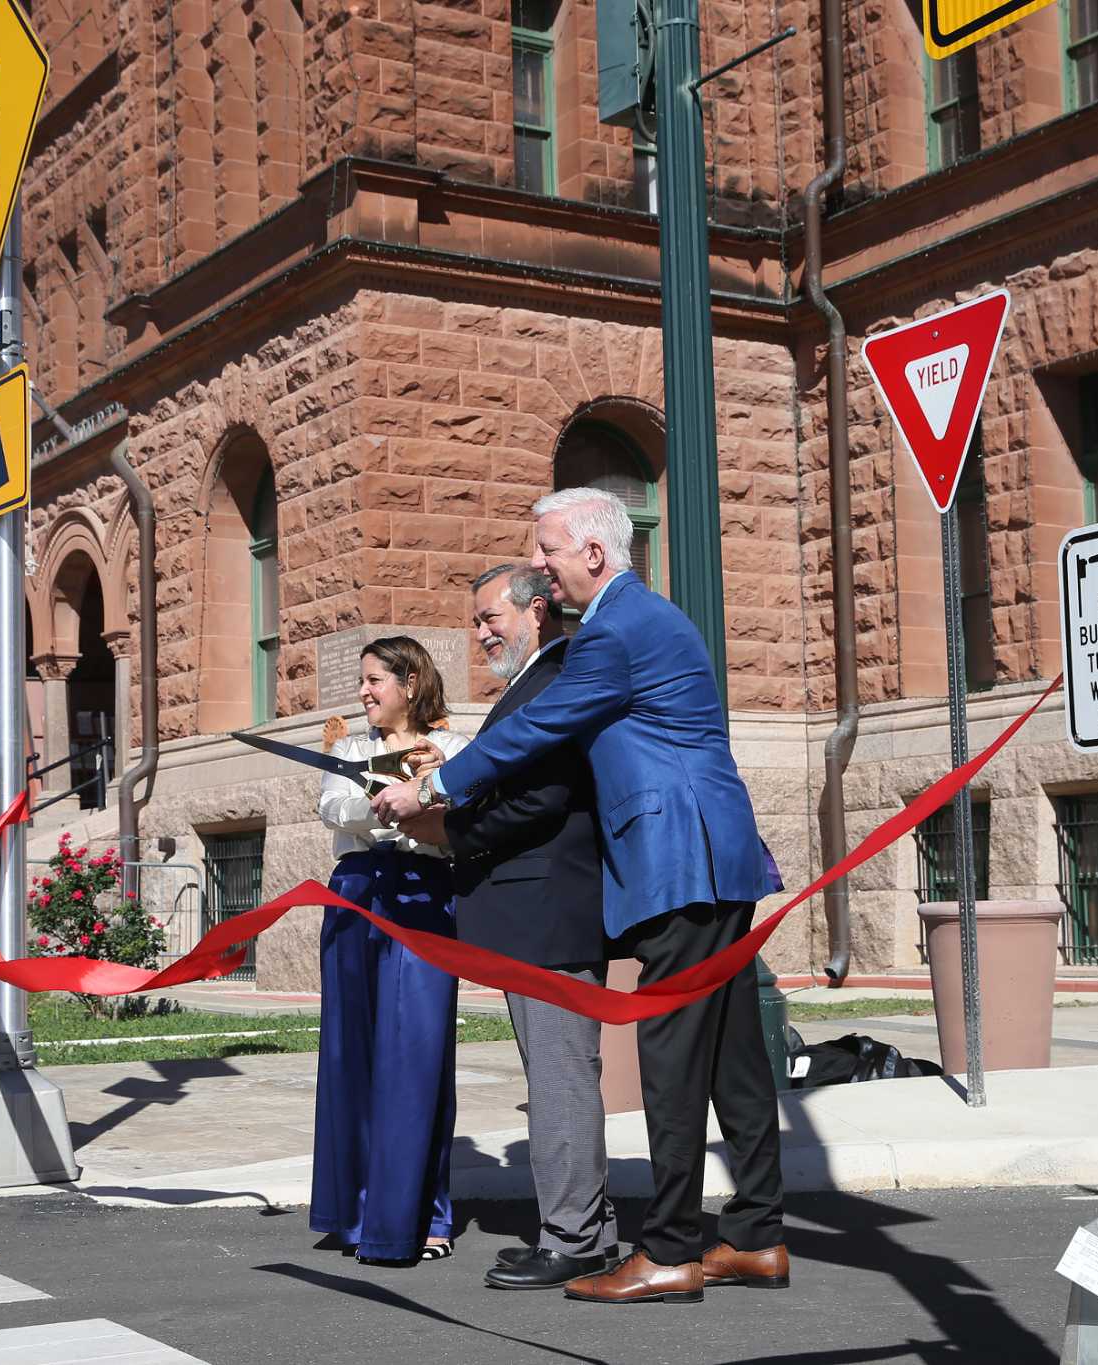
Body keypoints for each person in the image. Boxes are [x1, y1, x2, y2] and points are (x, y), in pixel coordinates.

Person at [374, 487, 788, 1304]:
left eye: (547, 551)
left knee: (673, 1063)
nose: (539, 564)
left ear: (594, 554)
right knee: (734, 1054)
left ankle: (671, 1249)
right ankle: (756, 1235)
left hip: (678, 858)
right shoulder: (646, 619)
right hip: (713, 852)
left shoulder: (613, 630)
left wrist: (439, 785)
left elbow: (542, 725)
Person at [402, 565, 618, 1291]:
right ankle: (586, 1222)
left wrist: (451, 827)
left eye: (491, 616)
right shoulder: (530, 683)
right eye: (475, 621)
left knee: (560, 1077)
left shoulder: (556, 677)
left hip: (551, 910)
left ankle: (574, 1237)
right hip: (533, 911)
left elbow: (546, 796)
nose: (482, 631)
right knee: (555, 1074)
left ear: (536, 611)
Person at [314, 636, 468, 1264]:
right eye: (362, 680)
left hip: (423, 896)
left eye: (375, 679)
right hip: (354, 894)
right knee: (352, 1051)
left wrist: (426, 786)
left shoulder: (451, 747)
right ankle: (352, 1212)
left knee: (417, 1051)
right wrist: (394, 788)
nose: (364, 692)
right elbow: (334, 808)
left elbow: (461, 806)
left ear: (409, 681)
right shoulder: (350, 748)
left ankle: (423, 1216)